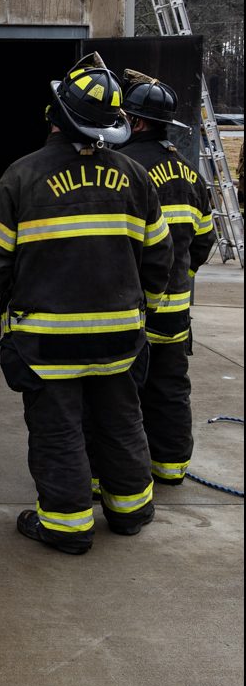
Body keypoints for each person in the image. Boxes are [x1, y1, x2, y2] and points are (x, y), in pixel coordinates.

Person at [0, 53, 172, 554]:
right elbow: (159, 253)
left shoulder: (21, 177)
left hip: (48, 342)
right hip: (121, 337)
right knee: (121, 421)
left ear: (54, 116)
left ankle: (67, 525)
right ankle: (130, 511)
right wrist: (144, 307)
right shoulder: (134, 176)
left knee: (58, 428)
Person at [107, 71, 216, 485]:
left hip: (131, 305)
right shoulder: (191, 174)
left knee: (120, 395)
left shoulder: (126, 169)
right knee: (170, 387)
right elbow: (203, 241)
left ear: (136, 122)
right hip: (174, 309)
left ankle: (114, 475)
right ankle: (171, 468)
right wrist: (181, 278)